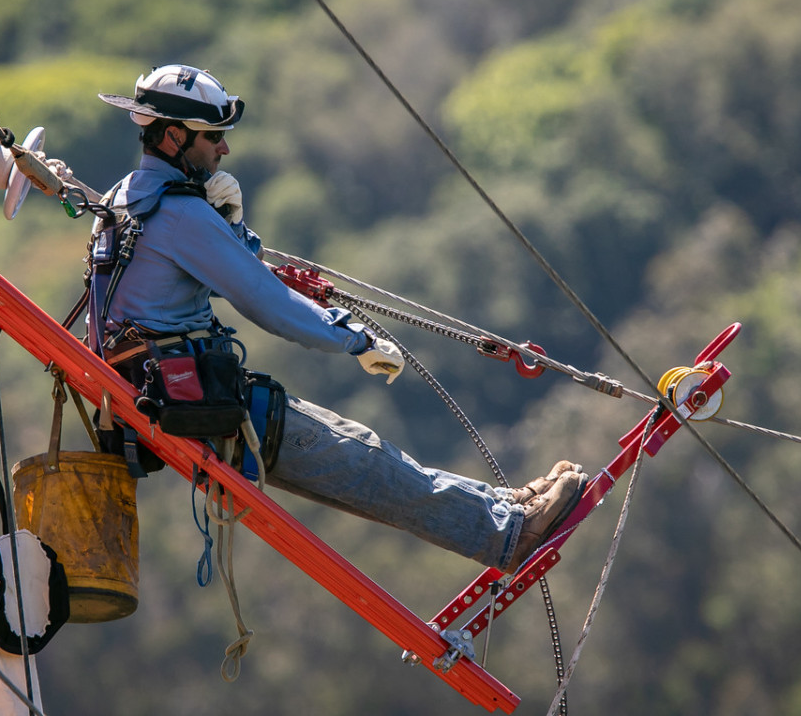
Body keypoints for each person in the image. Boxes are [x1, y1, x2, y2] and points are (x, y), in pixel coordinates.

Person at [89, 64, 586, 573]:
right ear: (174, 136)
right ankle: (509, 532)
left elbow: (220, 272)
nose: (224, 148)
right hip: (198, 403)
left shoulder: (123, 200)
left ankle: (501, 508)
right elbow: (266, 300)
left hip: (169, 399)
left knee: (364, 456)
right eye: (213, 137)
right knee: (364, 461)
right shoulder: (182, 214)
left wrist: (231, 227)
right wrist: (354, 338)